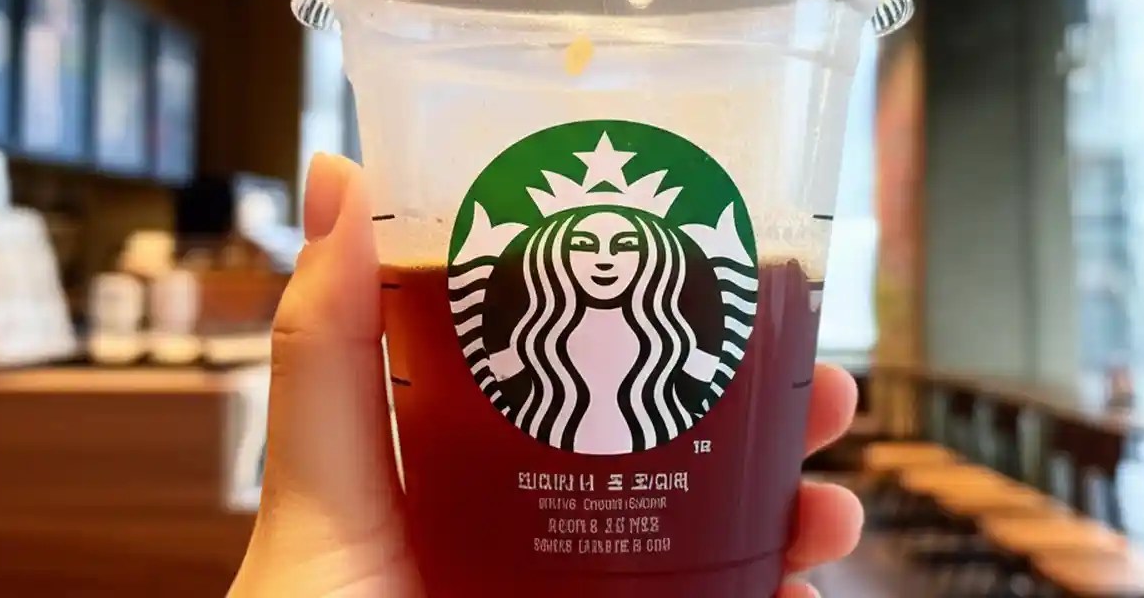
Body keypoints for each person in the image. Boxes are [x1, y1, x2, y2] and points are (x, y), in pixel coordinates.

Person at [228, 153, 864, 598]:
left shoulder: (678, 349)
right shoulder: (529, 346)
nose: (606, 261)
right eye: (585, 245)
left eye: (626, 246)